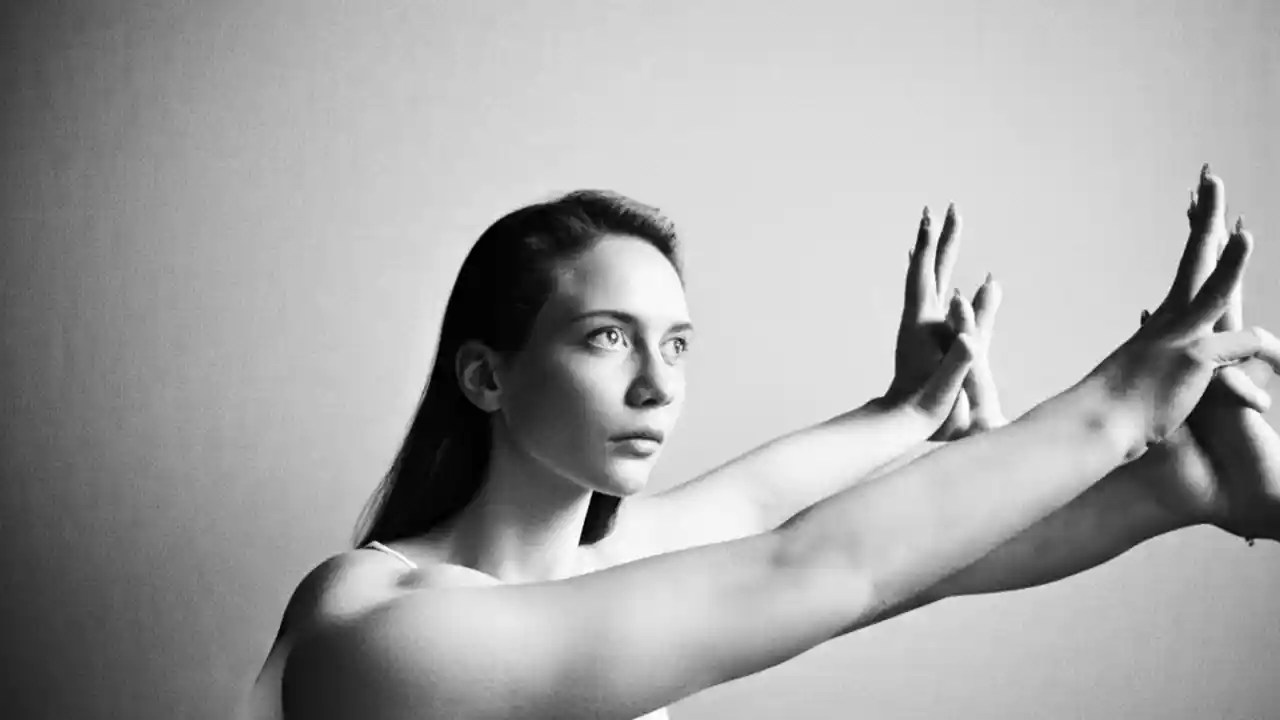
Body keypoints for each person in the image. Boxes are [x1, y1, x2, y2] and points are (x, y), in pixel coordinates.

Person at [243, 166, 1279, 720]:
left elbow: (808, 536)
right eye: (607, 339)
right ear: (485, 376)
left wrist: (1178, 480)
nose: (658, 386)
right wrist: (1117, 410)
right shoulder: (379, 641)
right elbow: (812, 567)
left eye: (678, 344)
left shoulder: (584, 576)